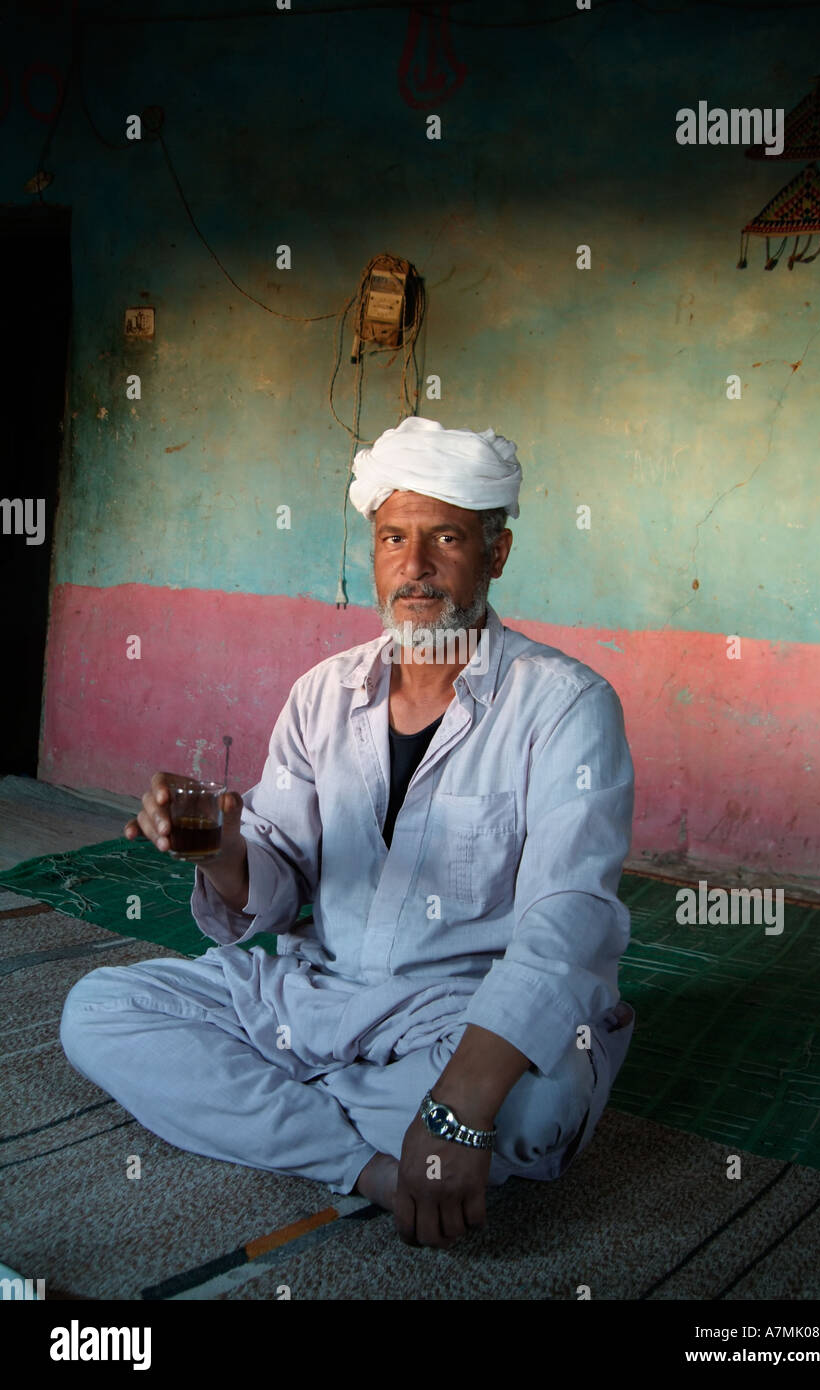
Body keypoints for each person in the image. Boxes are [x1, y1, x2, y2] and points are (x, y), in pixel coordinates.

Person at [60, 416, 636, 1252]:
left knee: (526, 1115)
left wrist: (459, 1106)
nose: (416, 566)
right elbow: (278, 877)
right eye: (393, 537)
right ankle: (370, 1164)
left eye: (445, 536)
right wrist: (218, 849)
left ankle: (344, 1116)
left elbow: (570, 921)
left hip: (453, 1015)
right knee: (102, 1010)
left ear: (496, 553)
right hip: (317, 994)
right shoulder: (323, 694)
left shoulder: (567, 706)